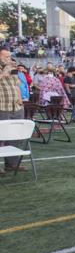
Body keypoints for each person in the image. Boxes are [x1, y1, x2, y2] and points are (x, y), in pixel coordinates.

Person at [0, 48, 26, 176]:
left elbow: (16, 85)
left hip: (16, 106)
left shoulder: (12, 69)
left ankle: (12, 164)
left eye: (10, 57)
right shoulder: (5, 69)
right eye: (6, 57)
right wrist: (5, 71)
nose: (9, 59)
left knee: (15, 136)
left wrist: (20, 101)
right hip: (2, 106)